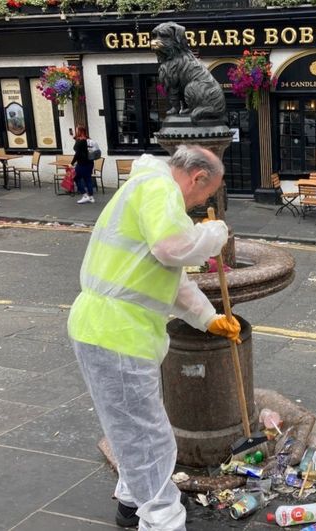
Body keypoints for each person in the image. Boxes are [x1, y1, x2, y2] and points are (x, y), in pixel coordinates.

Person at [68, 145, 241, 531]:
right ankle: (162, 519)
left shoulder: (147, 190)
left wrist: (208, 319)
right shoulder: (158, 188)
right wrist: (214, 233)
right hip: (116, 333)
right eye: (207, 194)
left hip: (110, 330)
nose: (203, 203)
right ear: (197, 177)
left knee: (131, 427)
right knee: (148, 436)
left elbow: (167, 277)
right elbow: (172, 249)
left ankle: (132, 502)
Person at [71, 125, 94, 204]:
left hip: (82, 163)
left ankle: (85, 195)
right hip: (90, 163)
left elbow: (77, 153)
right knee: (88, 179)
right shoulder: (88, 139)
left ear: (79, 131)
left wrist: (72, 163)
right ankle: (91, 197)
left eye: (76, 130)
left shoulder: (80, 141)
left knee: (76, 178)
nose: (75, 131)